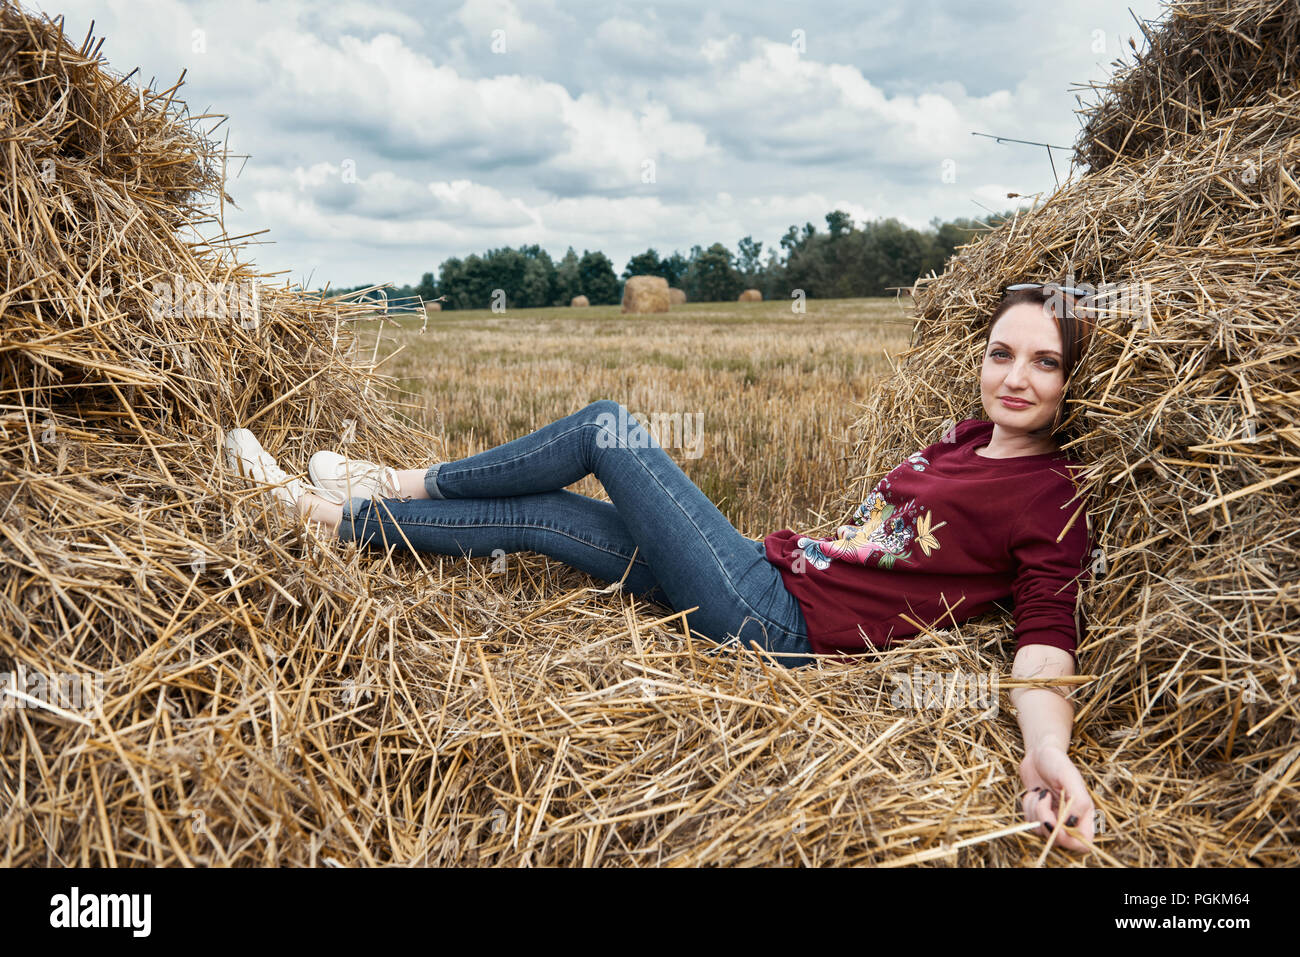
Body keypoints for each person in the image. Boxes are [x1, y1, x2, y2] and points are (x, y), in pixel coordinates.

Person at [223, 282, 1098, 852]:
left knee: (606, 429)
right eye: (1001, 352)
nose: (1015, 376)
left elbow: (1046, 637)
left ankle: (394, 477)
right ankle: (331, 520)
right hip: (767, 569)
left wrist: (1046, 752)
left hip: (772, 622)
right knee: (547, 519)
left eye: (1045, 361)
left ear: (1074, 380)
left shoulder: (1047, 498)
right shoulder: (968, 437)